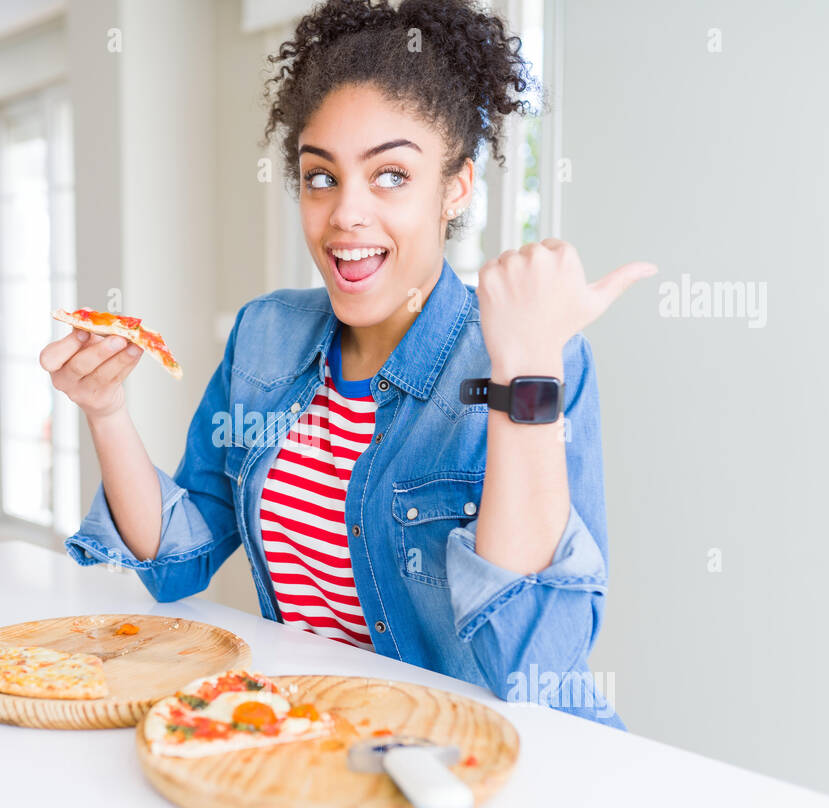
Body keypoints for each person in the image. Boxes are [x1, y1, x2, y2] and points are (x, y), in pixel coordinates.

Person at [42, 0, 654, 729]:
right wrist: (107, 412)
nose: (345, 215)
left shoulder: (537, 358)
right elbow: (177, 561)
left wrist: (523, 369)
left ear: (455, 186)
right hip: (330, 750)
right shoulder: (266, 335)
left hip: (497, 765)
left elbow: (533, 662)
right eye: (321, 176)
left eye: (390, 174)